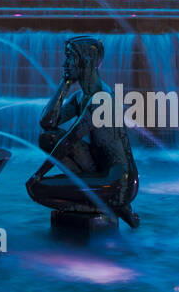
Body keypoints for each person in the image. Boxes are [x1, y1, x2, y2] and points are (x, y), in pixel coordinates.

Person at [26, 35, 140, 228]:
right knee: (48, 138)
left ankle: (107, 205)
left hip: (118, 181)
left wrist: (37, 175)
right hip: (98, 168)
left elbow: (69, 140)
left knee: (38, 189)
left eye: (69, 57)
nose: (64, 63)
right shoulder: (81, 97)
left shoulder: (101, 99)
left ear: (85, 61)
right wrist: (65, 83)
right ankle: (104, 201)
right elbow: (47, 122)